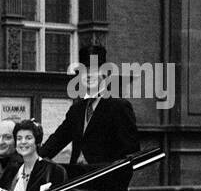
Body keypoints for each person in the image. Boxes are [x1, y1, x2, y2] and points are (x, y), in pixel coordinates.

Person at [39, 44, 140, 174]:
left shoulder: (119, 106)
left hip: (105, 185)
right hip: (75, 180)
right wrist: (32, 160)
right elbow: (56, 141)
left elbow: (130, 153)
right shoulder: (76, 110)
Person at [0, 120, 66, 191]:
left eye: (28, 138)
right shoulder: (12, 169)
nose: (23, 142)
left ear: (37, 141)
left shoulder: (54, 170)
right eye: (19, 138)